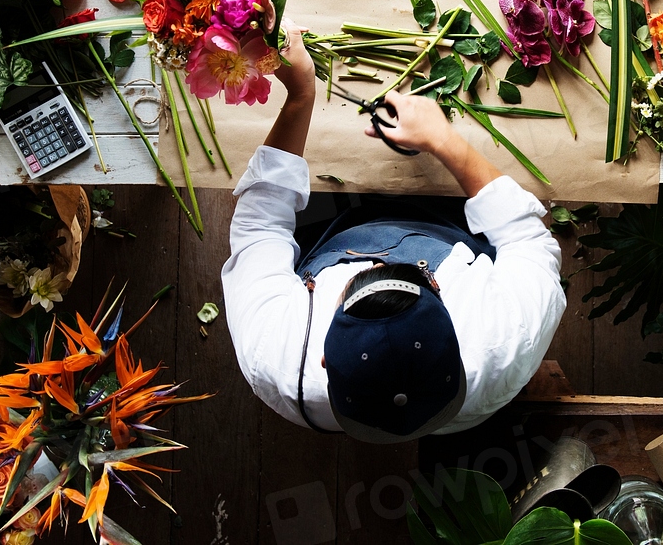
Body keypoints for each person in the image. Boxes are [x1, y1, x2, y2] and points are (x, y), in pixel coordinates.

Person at [222, 24, 565, 442]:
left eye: (356, 280)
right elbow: (527, 236)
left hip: (334, 231)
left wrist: (300, 96)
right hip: (449, 225)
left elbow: (261, 223)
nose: (382, 258)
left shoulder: (273, 354)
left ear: (325, 359)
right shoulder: (508, 339)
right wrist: (444, 140)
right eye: (424, 281)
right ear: (453, 329)